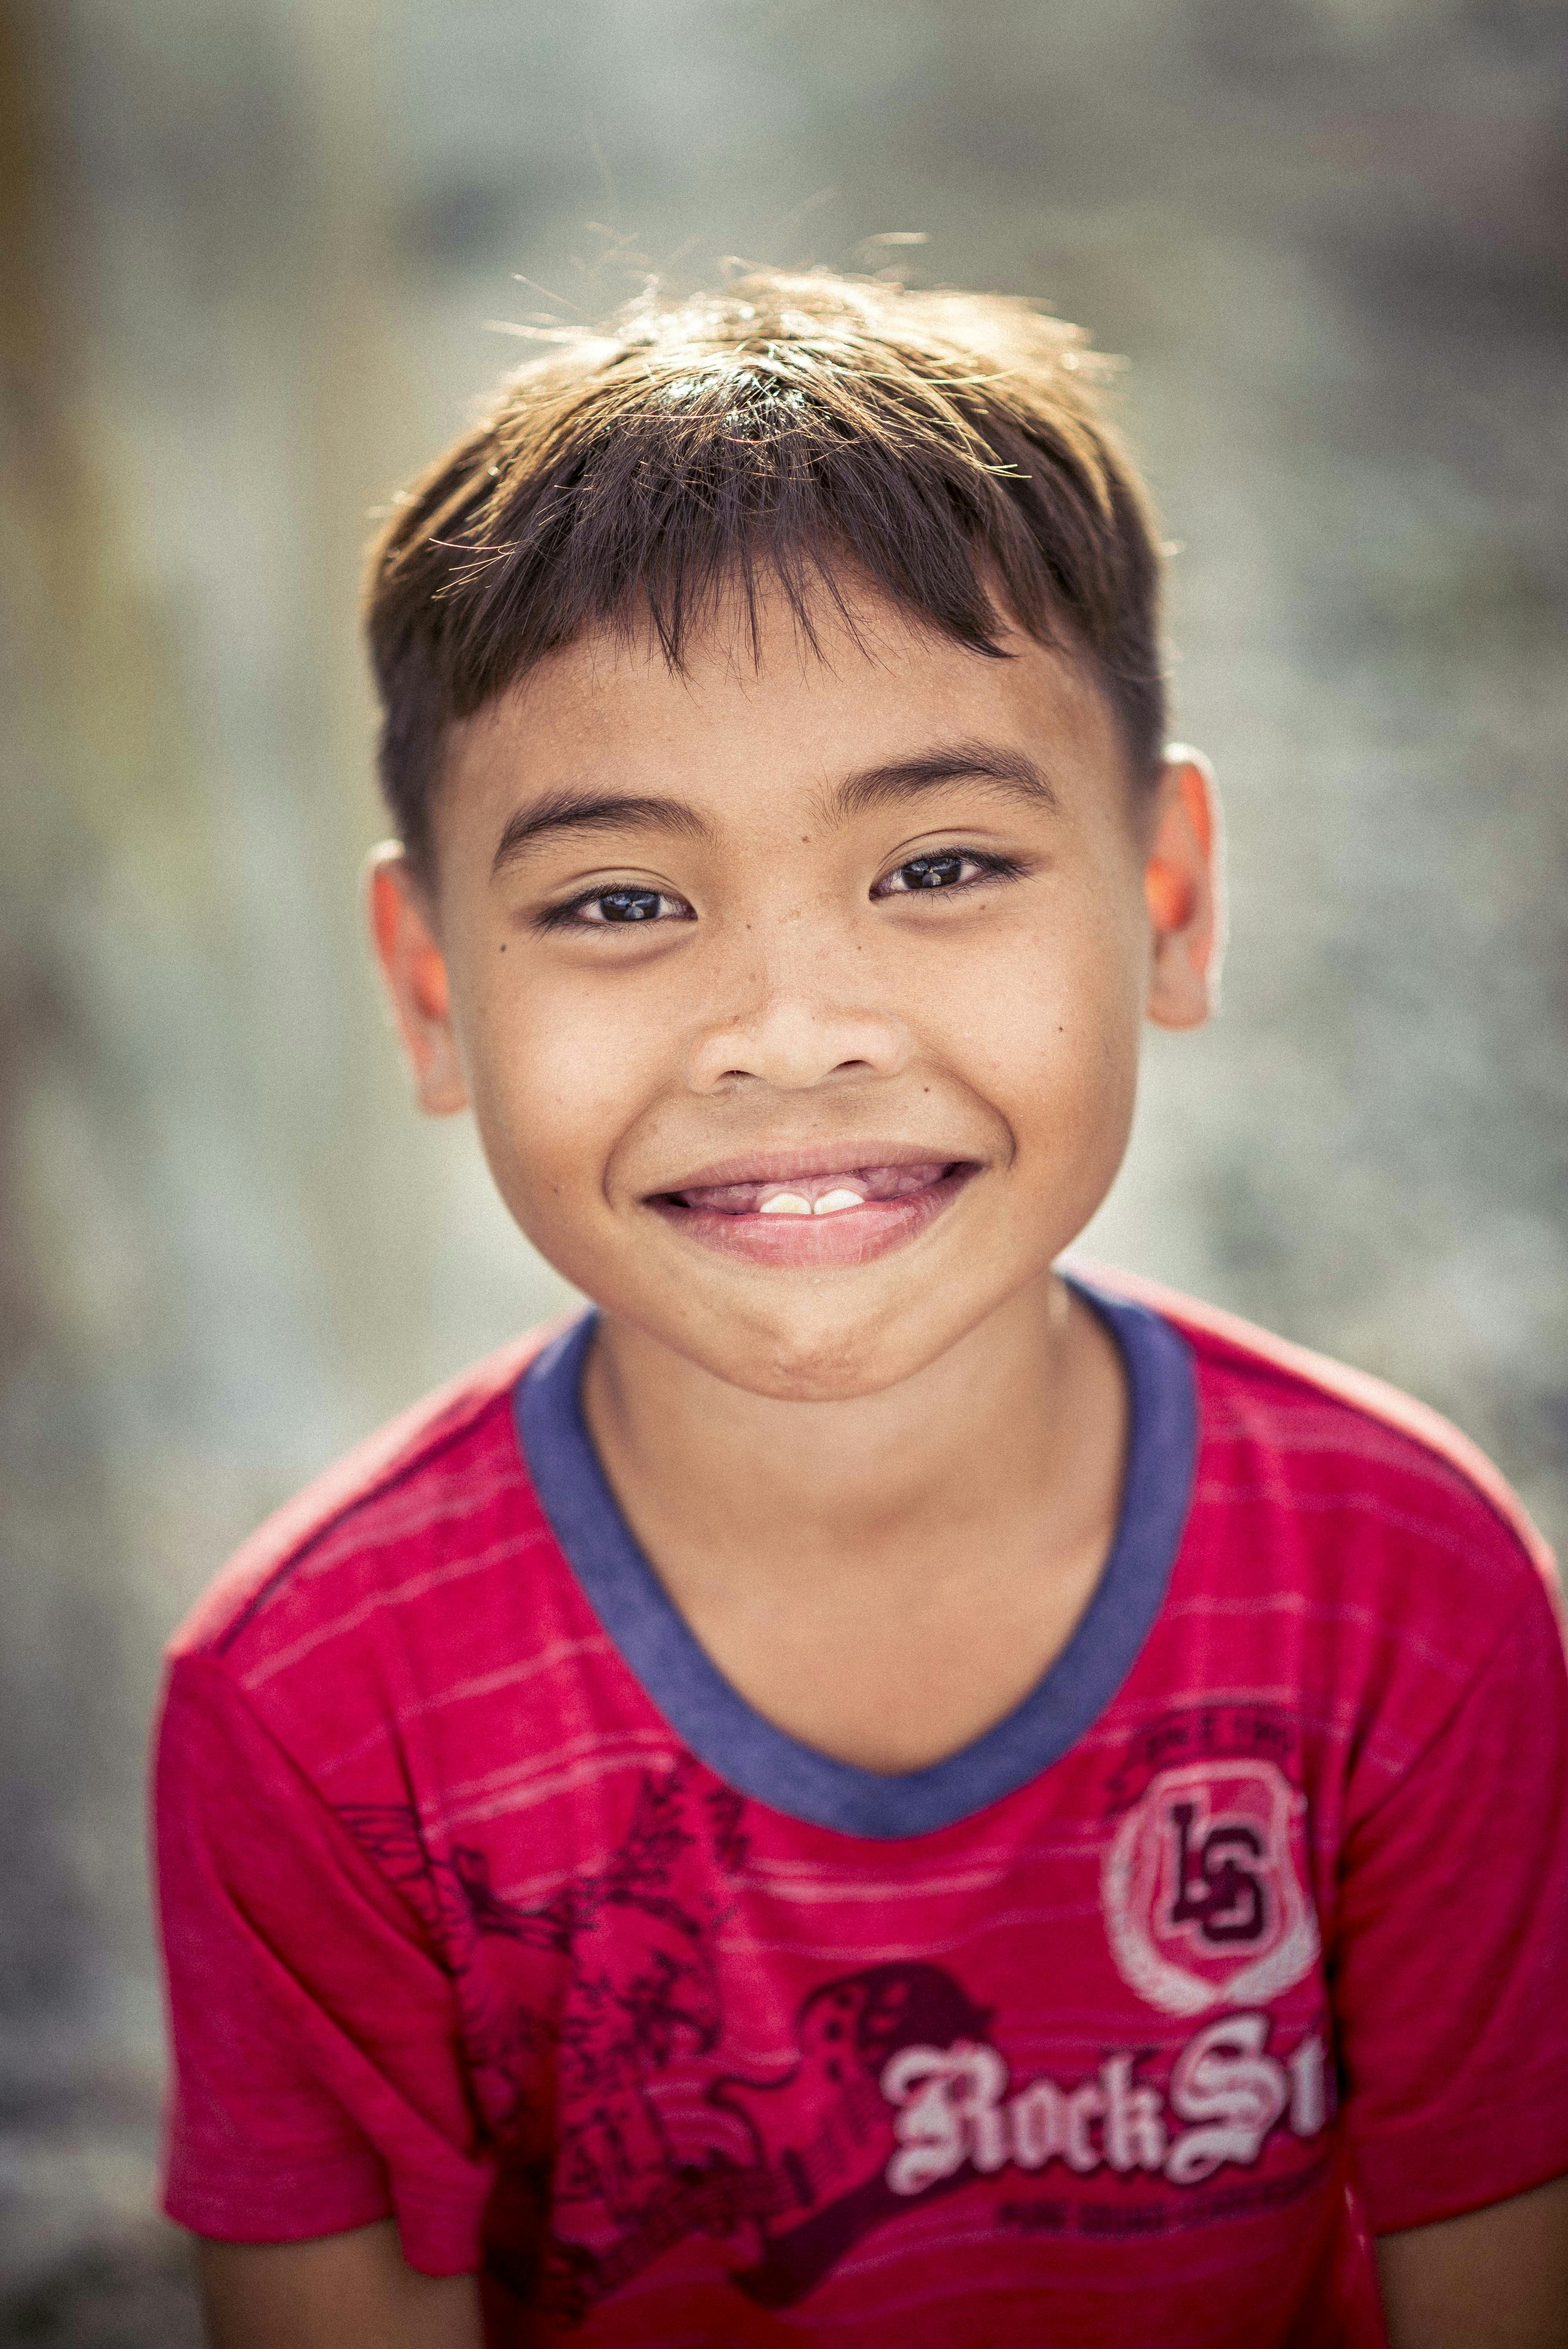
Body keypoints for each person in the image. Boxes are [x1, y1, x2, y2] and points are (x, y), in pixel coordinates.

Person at [152, 272, 1568, 2349]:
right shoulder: (313, 1721)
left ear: (1166, 897)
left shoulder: (1404, 1596)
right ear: (432, 983)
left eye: (941, 866)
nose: (789, 1032)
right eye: (623, 903)